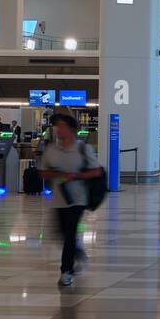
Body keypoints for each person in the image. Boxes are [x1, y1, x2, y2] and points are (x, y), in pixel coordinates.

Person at [37, 113, 102, 287]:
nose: (58, 129)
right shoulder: (51, 149)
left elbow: (96, 171)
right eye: (57, 126)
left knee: (70, 234)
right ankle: (78, 252)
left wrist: (76, 176)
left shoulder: (83, 149)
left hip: (78, 199)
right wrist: (58, 173)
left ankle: (66, 271)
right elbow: (42, 172)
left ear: (71, 129)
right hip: (58, 199)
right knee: (60, 233)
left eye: (62, 126)